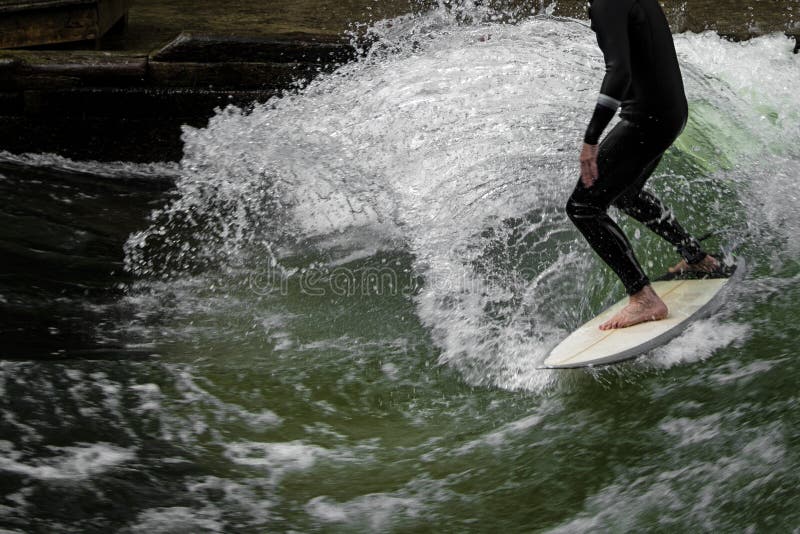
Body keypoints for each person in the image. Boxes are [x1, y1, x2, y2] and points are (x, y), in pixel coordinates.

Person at [566, 0, 719, 330]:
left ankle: (643, 298)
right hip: (670, 112)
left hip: (647, 118)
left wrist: (591, 138)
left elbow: (618, 71)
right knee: (627, 194)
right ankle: (697, 257)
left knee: (583, 207)